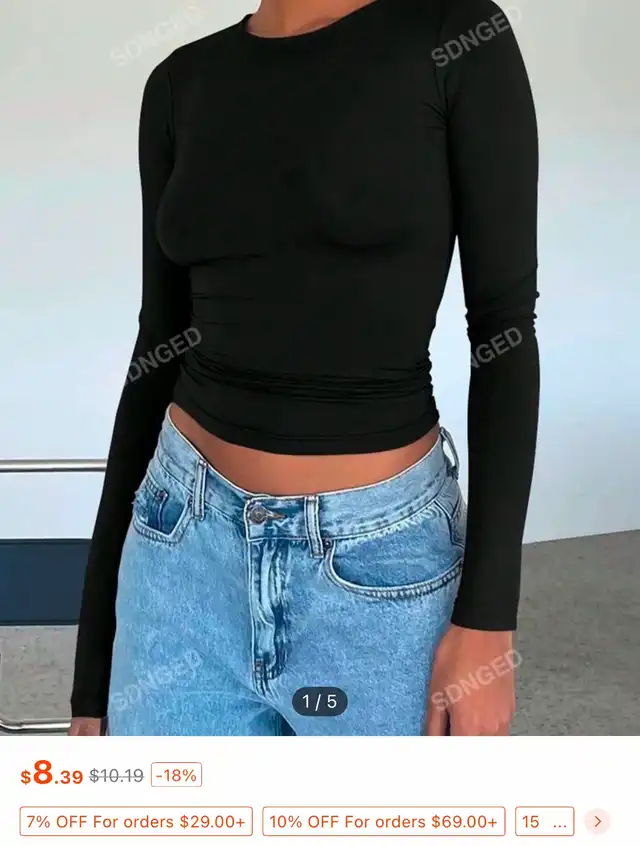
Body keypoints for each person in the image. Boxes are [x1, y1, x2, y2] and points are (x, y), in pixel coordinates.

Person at [69, 0, 539, 736]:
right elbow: (158, 344)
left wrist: (488, 622)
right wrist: (92, 675)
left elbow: (504, 331)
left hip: (379, 571)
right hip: (180, 554)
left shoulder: (454, 38)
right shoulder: (181, 82)